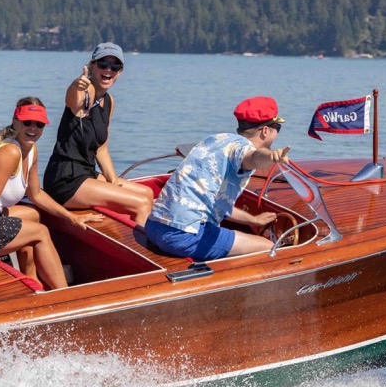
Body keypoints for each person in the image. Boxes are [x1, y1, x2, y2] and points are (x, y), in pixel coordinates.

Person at [0, 97, 101, 290]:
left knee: (33, 215)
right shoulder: (10, 152)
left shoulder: (31, 151)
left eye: (39, 124)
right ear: (16, 121)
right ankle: (63, 295)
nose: (33, 128)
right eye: (27, 123)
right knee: (40, 232)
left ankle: (31, 280)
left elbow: (36, 195)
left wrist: (71, 217)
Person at [144, 96, 292, 261]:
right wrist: (272, 156)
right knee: (270, 248)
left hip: (154, 227)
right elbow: (253, 157)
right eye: (277, 127)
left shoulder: (215, 140)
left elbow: (217, 202)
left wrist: (254, 220)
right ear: (265, 130)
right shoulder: (242, 149)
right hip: (183, 236)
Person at [42, 42, 155, 226]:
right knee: (140, 203)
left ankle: (140, 236)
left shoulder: (109, 101)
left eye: (115, 66)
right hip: (65, 177)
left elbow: (101, 149)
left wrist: (113, 181)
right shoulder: (85, 90)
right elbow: (72, 101)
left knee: (147, 194)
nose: (108, 70)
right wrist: (75, 85)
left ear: (120, 71)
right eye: (103, 64)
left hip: (87, 172)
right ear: (92, 65)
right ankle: (140, 251)